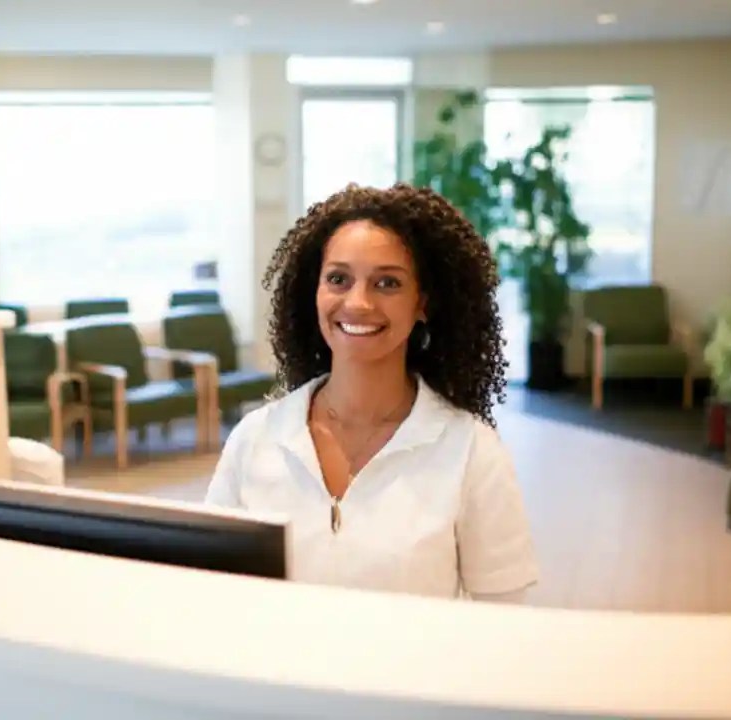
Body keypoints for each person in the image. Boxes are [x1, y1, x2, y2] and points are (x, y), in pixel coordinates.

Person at [205, 182, 538, 602]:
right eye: (339, 279)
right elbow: (211, 590)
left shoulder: (472, 451)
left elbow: (502, 625)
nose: (358, 303)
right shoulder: (255, 438)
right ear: (315, 292)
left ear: (423, 303)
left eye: (387, 284)